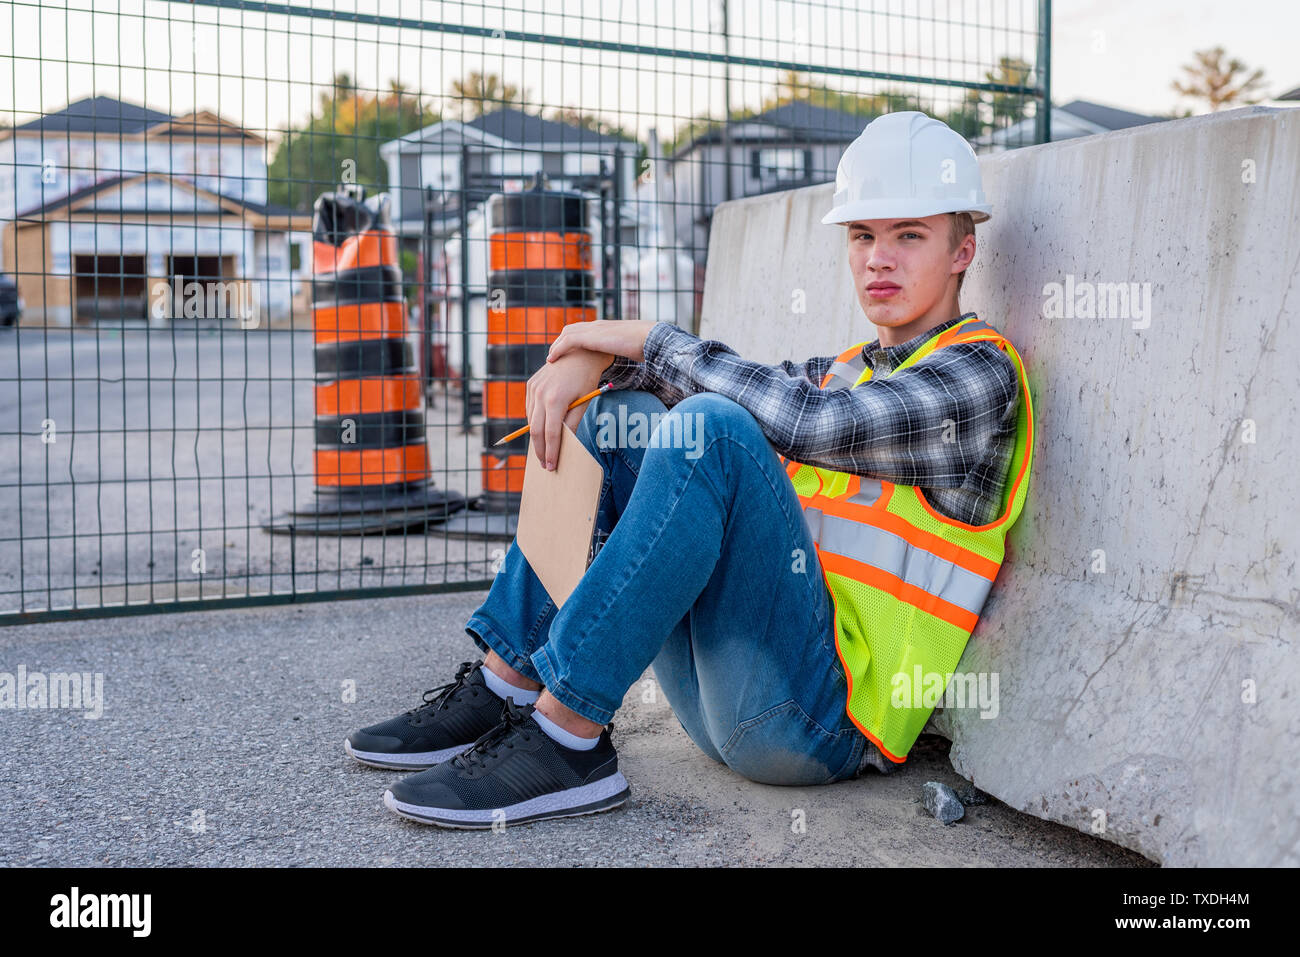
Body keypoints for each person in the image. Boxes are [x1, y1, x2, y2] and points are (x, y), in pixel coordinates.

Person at [345, 111, 1035, 829]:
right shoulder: (847, 370)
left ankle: (563, 738)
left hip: (819, 725)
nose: (877, 259)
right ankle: (508, 682)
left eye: (909, 236)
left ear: (963, 251)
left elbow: (807, 424)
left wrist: (642, 336)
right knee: (628, 419)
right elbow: (742, 387)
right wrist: (601, 364)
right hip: (725, 699)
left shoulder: (978, 375)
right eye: (862, 235)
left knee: (713, 427)